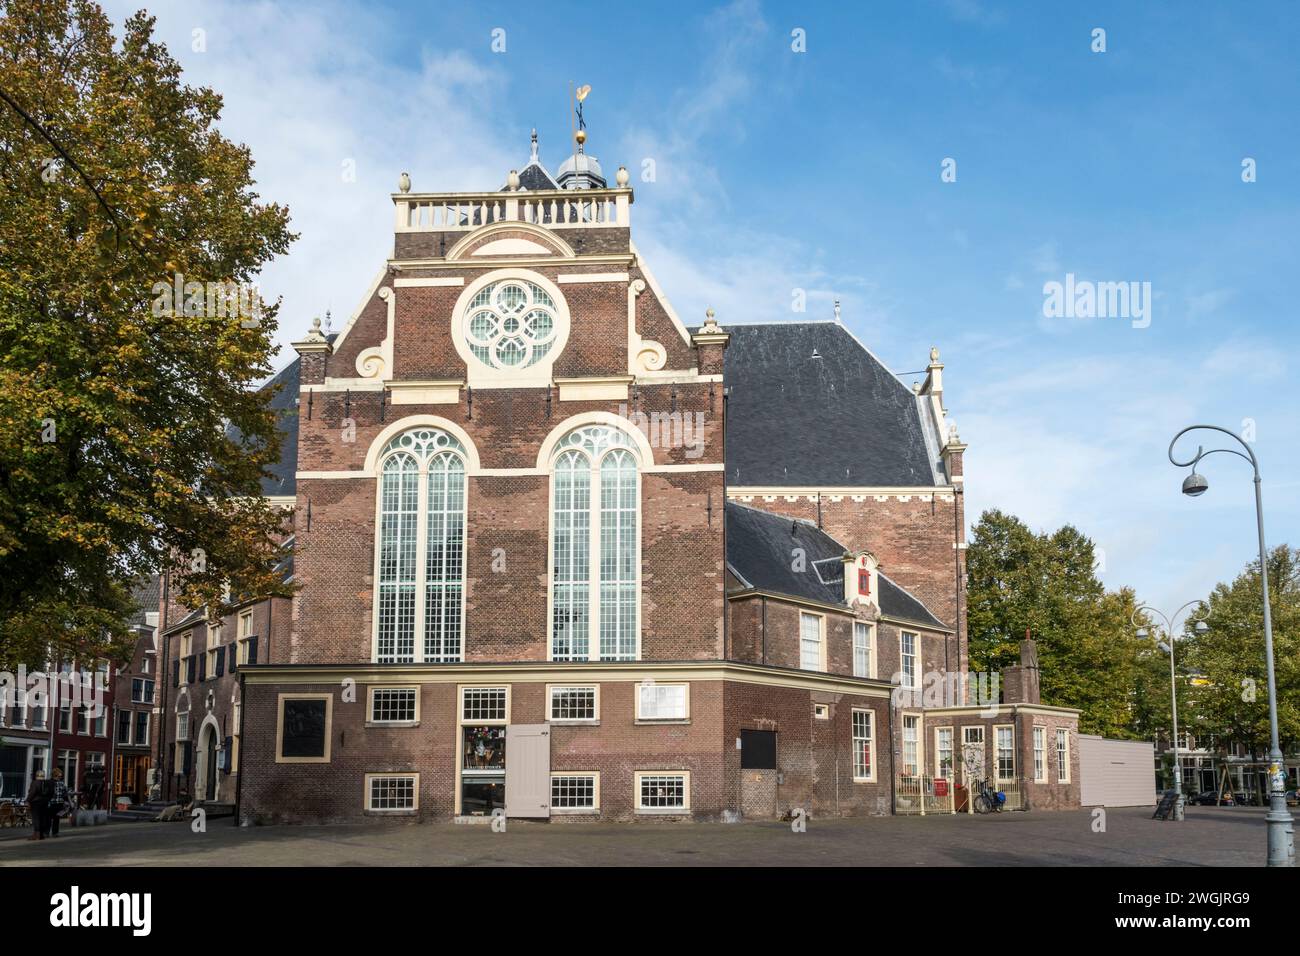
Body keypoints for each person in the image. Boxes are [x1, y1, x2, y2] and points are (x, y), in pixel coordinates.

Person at [46, 768, 70, 838]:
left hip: (59, 803)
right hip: (50, 803)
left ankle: (55, 833)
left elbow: (65, 793)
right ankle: (47, 832)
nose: (60, 777)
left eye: (60, 776)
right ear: (54, 775)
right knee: (48, 819)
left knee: (56, 819)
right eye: (59, 776)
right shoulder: (49, 782)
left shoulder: (62, 783)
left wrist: (66, 801)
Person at [25, 771, 48, 841]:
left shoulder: (35, 783)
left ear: (37, 775)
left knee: (36, 818)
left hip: (36, 802)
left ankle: (36, 834)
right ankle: (41, 834)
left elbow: (32, 792)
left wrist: (27, 800)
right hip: (44, 802)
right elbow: (50, 792)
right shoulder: (46, 783)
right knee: (42, 818)